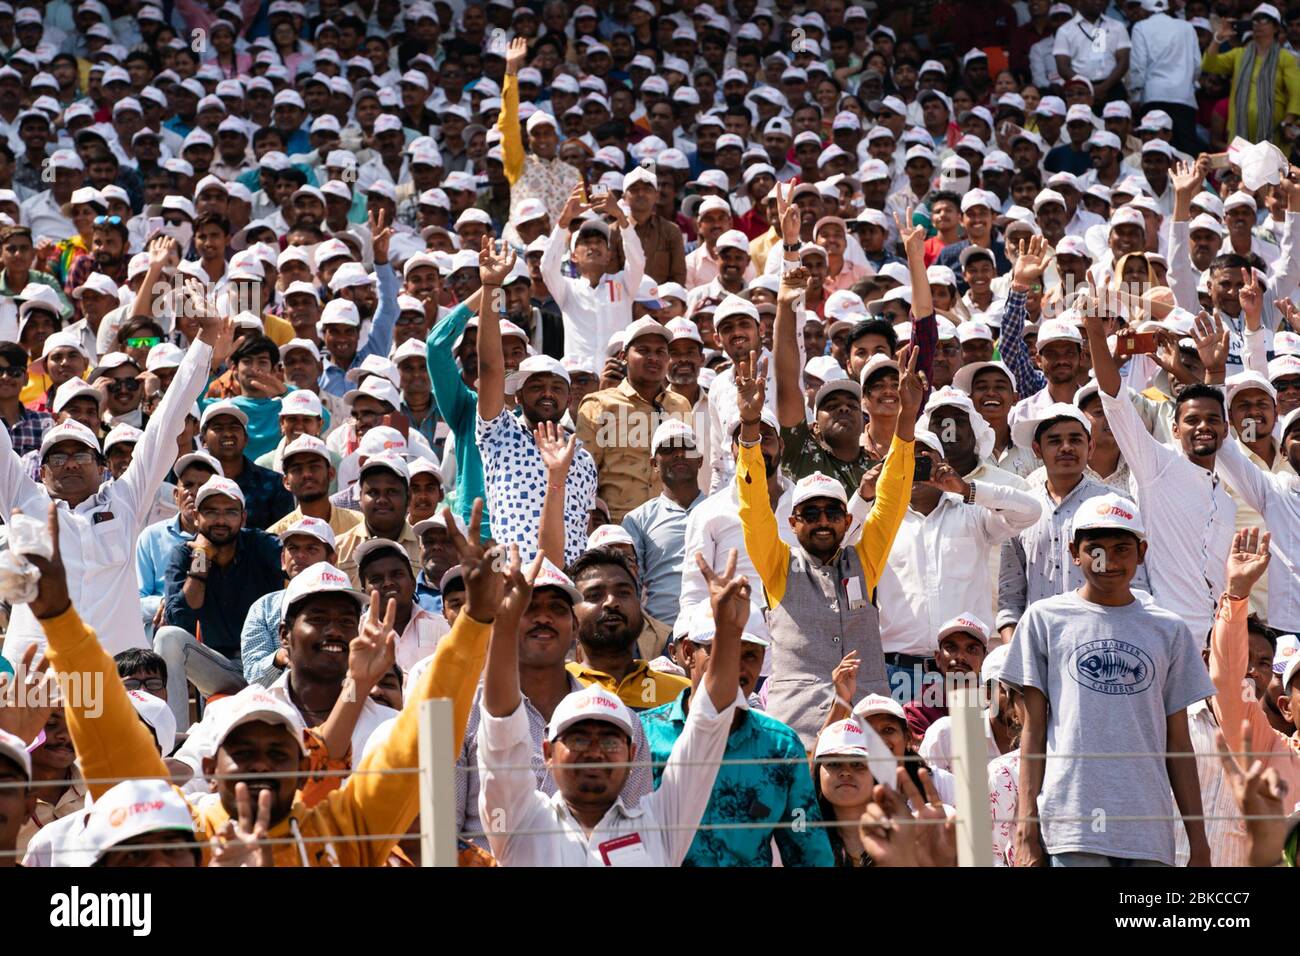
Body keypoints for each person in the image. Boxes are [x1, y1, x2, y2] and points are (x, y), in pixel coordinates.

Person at [21, 494, 501, 866]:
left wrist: (477, 619)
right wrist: (60, 619)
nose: (260, 767)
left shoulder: (338, 831)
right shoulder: (174, 835)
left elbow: (423, 733)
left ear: (306, 767)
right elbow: (112, 743)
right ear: (211, 763)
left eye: (276, 753)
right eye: (244, 752)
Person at [476, 539, 746, 866]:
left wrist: (729, 633)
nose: (594, 751)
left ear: (633, 754)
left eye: (608, 739)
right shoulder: (522, 820)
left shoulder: (660, 823)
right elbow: (502, 731)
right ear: (547, 752)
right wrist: (505, 625)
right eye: (577, 738)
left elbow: (707, 727)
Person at [0, 290, 227, 668]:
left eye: (81, 455)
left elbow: (166, 420)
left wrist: (205, 338)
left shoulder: (125, 499)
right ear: (40, 471)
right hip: (37, 675)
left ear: (103, 466)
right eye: (58, 456)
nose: (70, 464)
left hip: (119, 675)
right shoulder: (23, 501)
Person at [1002, 492, 1215, 867]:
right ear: (1074, 552)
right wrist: (1025, 830)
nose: (1108, 561)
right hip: (1072, 822)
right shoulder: (1043, 620)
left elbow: (1178, 744)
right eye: (1095, 549)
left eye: (1121, 549)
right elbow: (1033, 733)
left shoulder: (1169, 630)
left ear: (1142, 552)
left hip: (1147, 828)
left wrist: (1199, 842)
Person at [738, 346, 922, 746]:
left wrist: (907, 418)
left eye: (832, 512)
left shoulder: (865, 559)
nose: (823, 521)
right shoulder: (778, 566)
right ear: (793, 522)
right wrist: (750, 427)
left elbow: (892, 498)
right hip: (798, 728)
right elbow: (753, 510)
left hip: (868, 725)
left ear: (847, 519)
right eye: (811, 513)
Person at [641, 601, 834, 867]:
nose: (736, 667)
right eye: (723, 652)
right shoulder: (642, 736)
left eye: (750, 655)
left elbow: (808, 850)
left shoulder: (781, 747)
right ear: (688, 653)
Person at [1086, 304, 1236, 640]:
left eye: (1212, 421)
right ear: (1175, 428)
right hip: (1166, 639)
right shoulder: (1158, 466)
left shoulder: (1225, 502)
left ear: (1226, 430)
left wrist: (1210, 372)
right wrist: (1097, 336)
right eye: (1192, 421)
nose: (1203, 428)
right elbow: (1116, 403)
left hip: (1219, 643)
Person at [477, 238, 597, 564]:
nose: (547, 393)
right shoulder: (498, 433)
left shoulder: (582, 456)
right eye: (536, 386)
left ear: (570, 397)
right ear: (517, 395)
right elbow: (490, 367)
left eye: (556, 387)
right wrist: (490, 287)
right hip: (511, 581)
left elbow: (581, 529)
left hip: (566, 586)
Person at [997, 403, 1149, 638]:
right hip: (1039, 645)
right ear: (1037, 450)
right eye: (1055, 441)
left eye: (1075, 440)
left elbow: (1137, 587)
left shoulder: (1116, 504)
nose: (1066, 448)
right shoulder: (1020, 510)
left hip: (1105, 641)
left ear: (1090, 446)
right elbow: (1011, 599)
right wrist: (1013, 650)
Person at [157, 475, 281, 729]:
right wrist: (201, 558)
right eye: (211, 511)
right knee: (168, 637)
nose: (221, 520)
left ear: (243, 518)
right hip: (221, 668)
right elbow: (182, 621)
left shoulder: (262, 545)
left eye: (230, 512)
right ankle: (175, 738)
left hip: (270, 665)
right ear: (196, 516)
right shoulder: (184, 554)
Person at [576, 317, 692, 522]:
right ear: (623, 356)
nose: (653, 358)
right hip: (617, 525)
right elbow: (582, 476)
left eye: (660, 352)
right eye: (643, 350)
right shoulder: (598, 405)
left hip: (670, 523)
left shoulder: (680, 405)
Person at [621, 420, 705, 629]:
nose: (678, 454)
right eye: (668, 449)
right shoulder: (637, 520)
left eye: (686, 447)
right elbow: (631, 586)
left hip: (716, 632)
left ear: (700, 460)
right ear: (654, 464)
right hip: (661, 636)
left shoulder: (724, 511)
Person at [1201, 3, 1300, 147]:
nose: (1258, 24)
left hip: (1273, 135)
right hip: (1239, 134)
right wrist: (1218, 38)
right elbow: (1209, 64)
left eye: (1264, 20)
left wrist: (1288, 121)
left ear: (1276, 27)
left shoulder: (1285, 58)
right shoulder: (1239, 54)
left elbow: (1296, 92)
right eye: (1255, 20)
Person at [334, 452, 423, 587]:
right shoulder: (337, 550)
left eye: (392, 491)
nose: (382, 500)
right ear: (360, 498)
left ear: (409, 497)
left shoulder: (425, 548)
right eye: (373, 492)